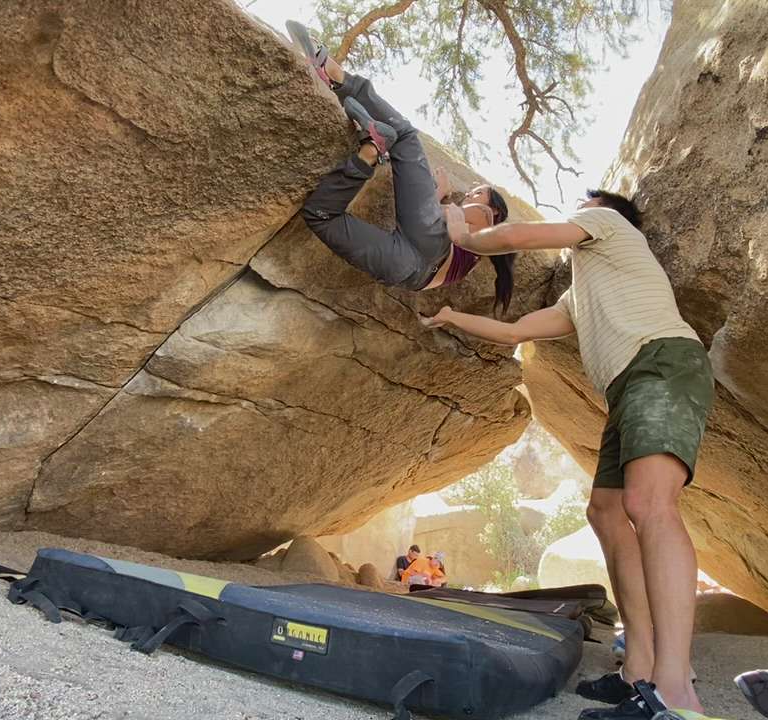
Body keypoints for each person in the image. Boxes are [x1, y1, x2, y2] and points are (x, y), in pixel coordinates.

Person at [417, 189, 714, 719]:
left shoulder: (609, 225)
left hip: (662, 363)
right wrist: (451, 316)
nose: (577, 210)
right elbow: (515, 331)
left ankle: (674, 692)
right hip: (629, 387)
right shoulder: (580, 297)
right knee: (605, 512)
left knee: (650, 506)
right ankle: (637, 670)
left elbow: (518, 236)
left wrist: (461, 234)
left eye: (583, 204)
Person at [286, 21, 518, 315]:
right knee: (321, 216)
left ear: (495, 210)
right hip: (409, 272)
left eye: (478, 192)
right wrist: (439, 199)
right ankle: (371, 149)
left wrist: (444, 202)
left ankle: (337, 75)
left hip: (427, 244)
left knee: (407, 138)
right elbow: (427, 230)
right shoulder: (471, 261)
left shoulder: (488, 223)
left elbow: (454, 223)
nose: (470, 192)